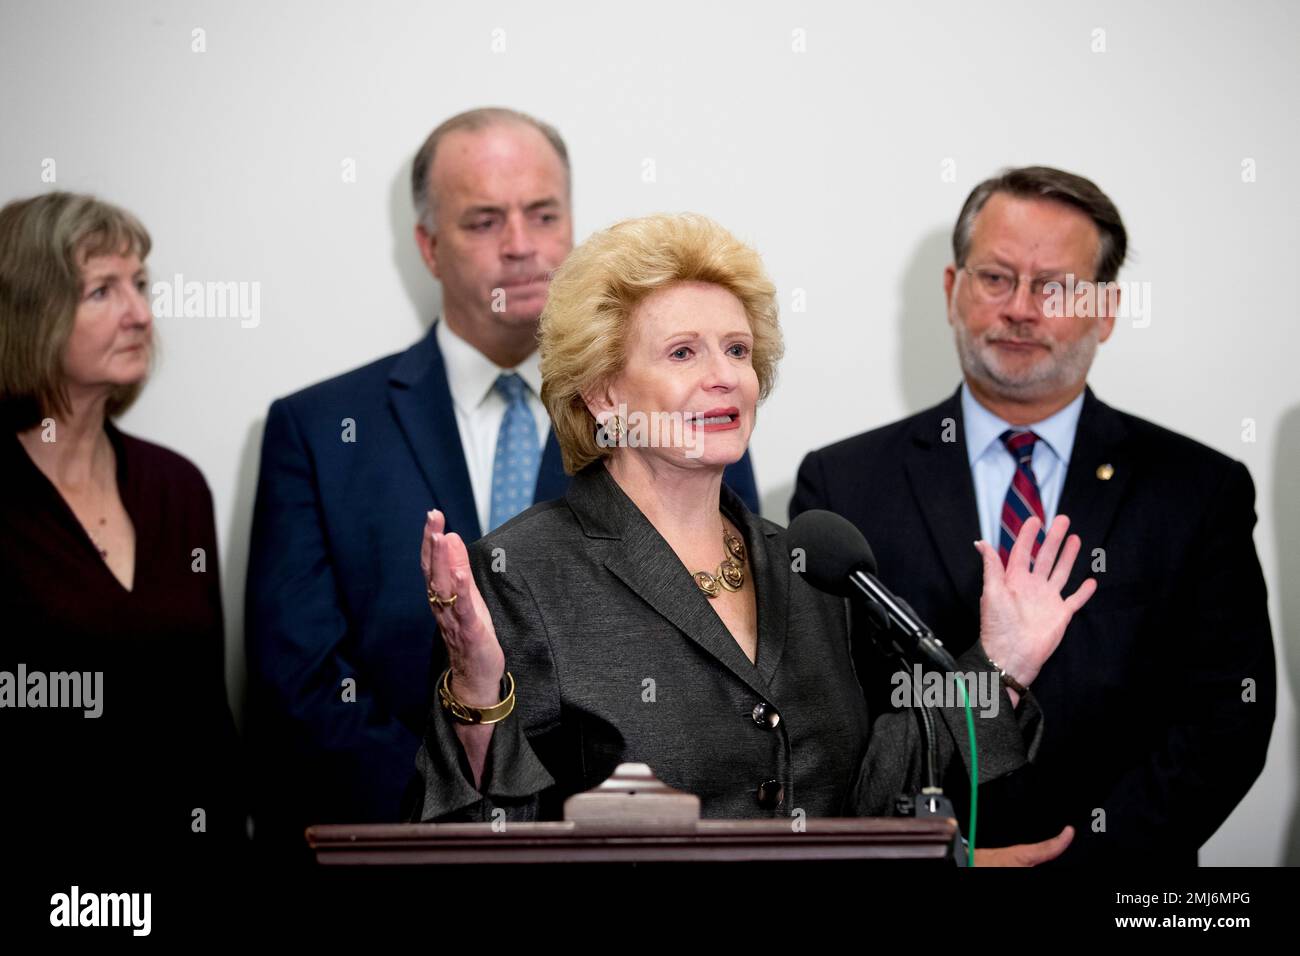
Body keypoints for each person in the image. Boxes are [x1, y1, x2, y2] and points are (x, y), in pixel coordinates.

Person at [406, 213, 1094, 866]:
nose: (725, 375)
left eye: (738, 349)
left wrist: (1000, 664)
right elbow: (481, 841)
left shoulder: (808, 565)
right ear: (603, 395)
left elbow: (871, 799)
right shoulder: (524, 571)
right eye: (683, 352)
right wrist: (476, 693)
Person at [245, 109, 758, 858]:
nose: (521, 246)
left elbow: (722, 645)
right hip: (392, 844)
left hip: (629, 848)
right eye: (484, 221)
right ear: (428, 246)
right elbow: (301, 686)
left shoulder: (680, 413)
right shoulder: (319, 431)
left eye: (544, 215)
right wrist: (465, 808)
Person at [790, 166, 1276, 863]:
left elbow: (1228, 720)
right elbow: (826, 722)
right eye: (996, 278)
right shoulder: (842, 485)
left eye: (1055, 286)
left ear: (1108, 310)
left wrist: (1084, 864)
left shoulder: (1197, 492)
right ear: (954, 292)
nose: (1020, 307)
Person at [0, 192, 245, 869]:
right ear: (31, 313)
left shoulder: (177, 486)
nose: (140, 314)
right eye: (102, 290)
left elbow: (207, 718)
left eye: (140, 285)